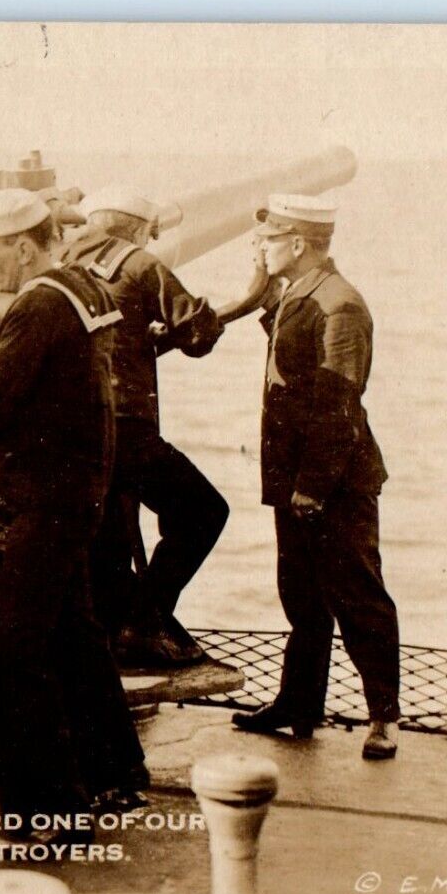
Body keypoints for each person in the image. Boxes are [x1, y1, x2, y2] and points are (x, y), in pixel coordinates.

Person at [0, 186, 148, 840]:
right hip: (85, 487)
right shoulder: (86, 288)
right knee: (74, 634)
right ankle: (116, 770)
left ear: (26, 247)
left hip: (49, 499)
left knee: (10, 653)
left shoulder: (36, 305)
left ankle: (53, 809)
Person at [230, 194, 402, 760]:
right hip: (297, 479)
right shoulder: (302, 295)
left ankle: (384, 718)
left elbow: (337, 405)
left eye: (270, 240)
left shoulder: (340, 305)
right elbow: (294, 366)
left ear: (299, 244)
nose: (261, 246)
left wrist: (313, 486)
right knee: (301, 600)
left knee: (358, 597)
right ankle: (298, 705)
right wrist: (260, 292)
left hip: (334, 483)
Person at [64, 185, 230, 668]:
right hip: (126, 429)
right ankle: (146, 618)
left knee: (106, 544)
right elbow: (199, 334)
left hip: (76, 432)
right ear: (136, 230)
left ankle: (112, 640)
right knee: (203, 512)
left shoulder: (61, 264)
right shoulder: (138, 263)